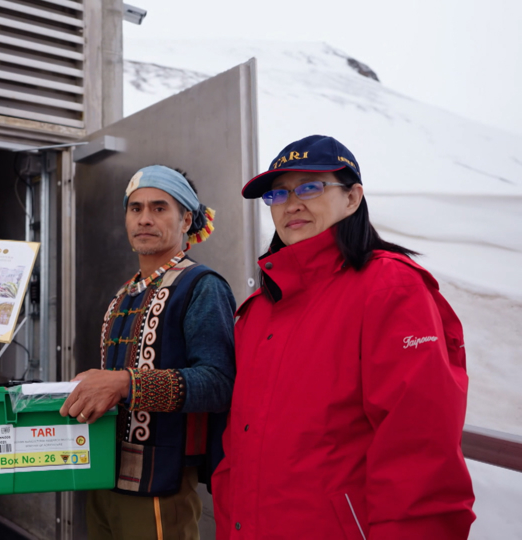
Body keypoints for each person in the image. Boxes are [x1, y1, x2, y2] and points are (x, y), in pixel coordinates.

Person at [213, 135, 475, 539]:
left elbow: (419, 448)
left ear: (352, 199)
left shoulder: (390, 289)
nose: (291, 203)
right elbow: (242, 442)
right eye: (278, 194)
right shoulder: (260, 307)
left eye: (310, 187)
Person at [60, 165, 237, 540]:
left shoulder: (202, 286)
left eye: (159, 208)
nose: (144, 219)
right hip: (102, 476)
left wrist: (125, 383)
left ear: (186, 219)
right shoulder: (125, 293)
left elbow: (219, 382)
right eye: (135, 208)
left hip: (159, 484)